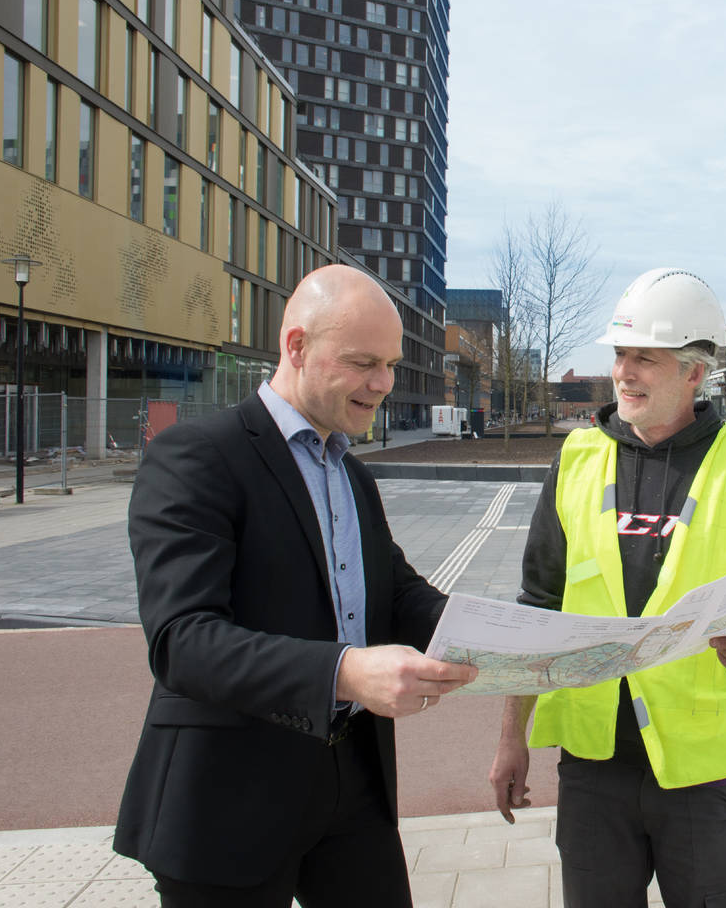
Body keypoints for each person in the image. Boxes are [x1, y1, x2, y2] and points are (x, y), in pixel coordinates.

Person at [114, 265, 477, 907]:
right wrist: (346, 673)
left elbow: (396, 594)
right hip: (228, 797)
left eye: (391, 365)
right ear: (297, 346)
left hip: (353, 782)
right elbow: (183, 641)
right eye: (364, 363)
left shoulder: (351, 473)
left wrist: (503, 636)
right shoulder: (198, 456)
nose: (383, 384)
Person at [488, 267, 726, 908]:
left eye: (645, 359)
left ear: (694, 372)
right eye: (620, 355)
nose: (624, 373)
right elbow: (538, 607)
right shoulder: (576, 462)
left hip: (703, 768)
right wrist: (510, 737)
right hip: (593, 763)